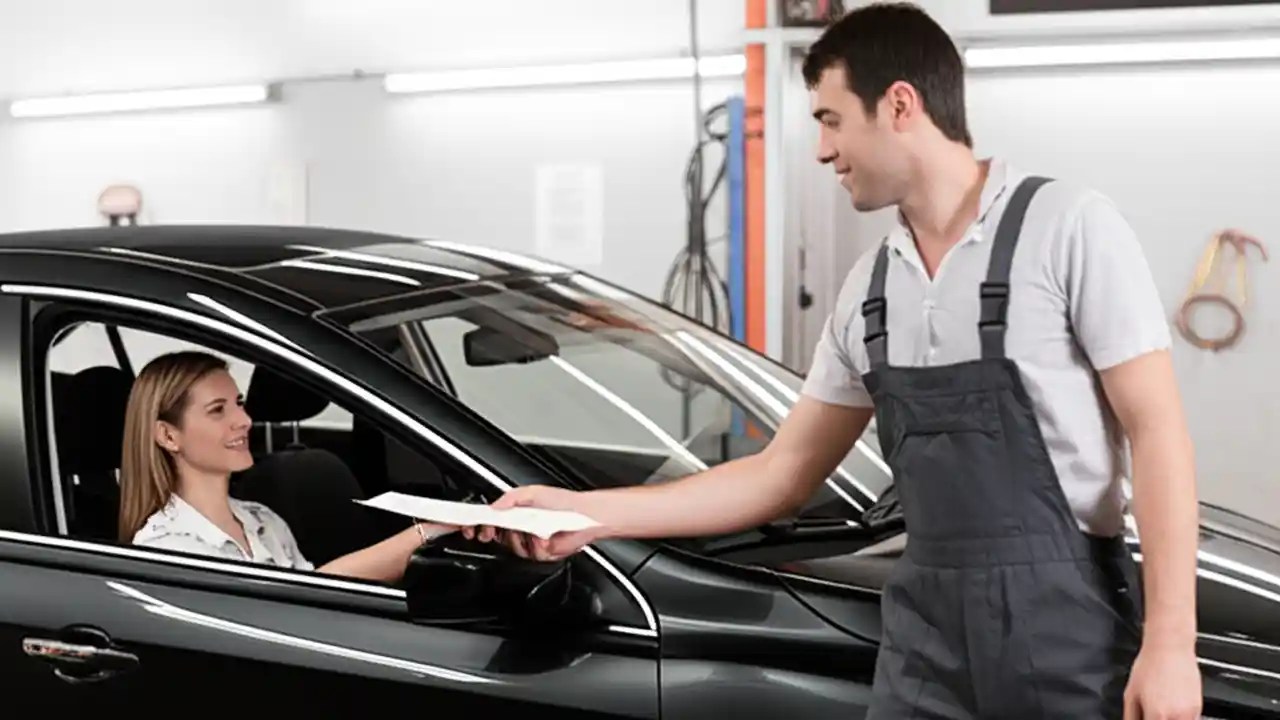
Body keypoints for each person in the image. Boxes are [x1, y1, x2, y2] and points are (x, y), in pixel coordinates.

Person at [467, 3, 1202, 718]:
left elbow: (1158, 432)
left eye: (829, 118)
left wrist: (1171, 645)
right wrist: (589, 512)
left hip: (1066, 632)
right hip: (926, 647)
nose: (821, 149)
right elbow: (779, 476)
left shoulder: (1067, 229)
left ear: (900, 105)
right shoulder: (868, 293)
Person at [118, 351, 456, 583]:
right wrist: (424, 533)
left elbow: (317, 593)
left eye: (239, 404)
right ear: (167, 435)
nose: (244, 420)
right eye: (218, 410)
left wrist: (442, 527)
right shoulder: (168, 548)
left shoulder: (262, 519)